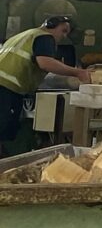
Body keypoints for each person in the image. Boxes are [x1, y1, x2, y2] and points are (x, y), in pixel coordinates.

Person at [0, 15, 92, 146]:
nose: (64, 36)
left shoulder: (24, 35)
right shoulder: (44, 37)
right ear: (50, 25)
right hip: (6, 88)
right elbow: (45, 63)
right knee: (3, 128)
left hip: (7, 87)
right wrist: (78, 72)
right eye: (63, 30)